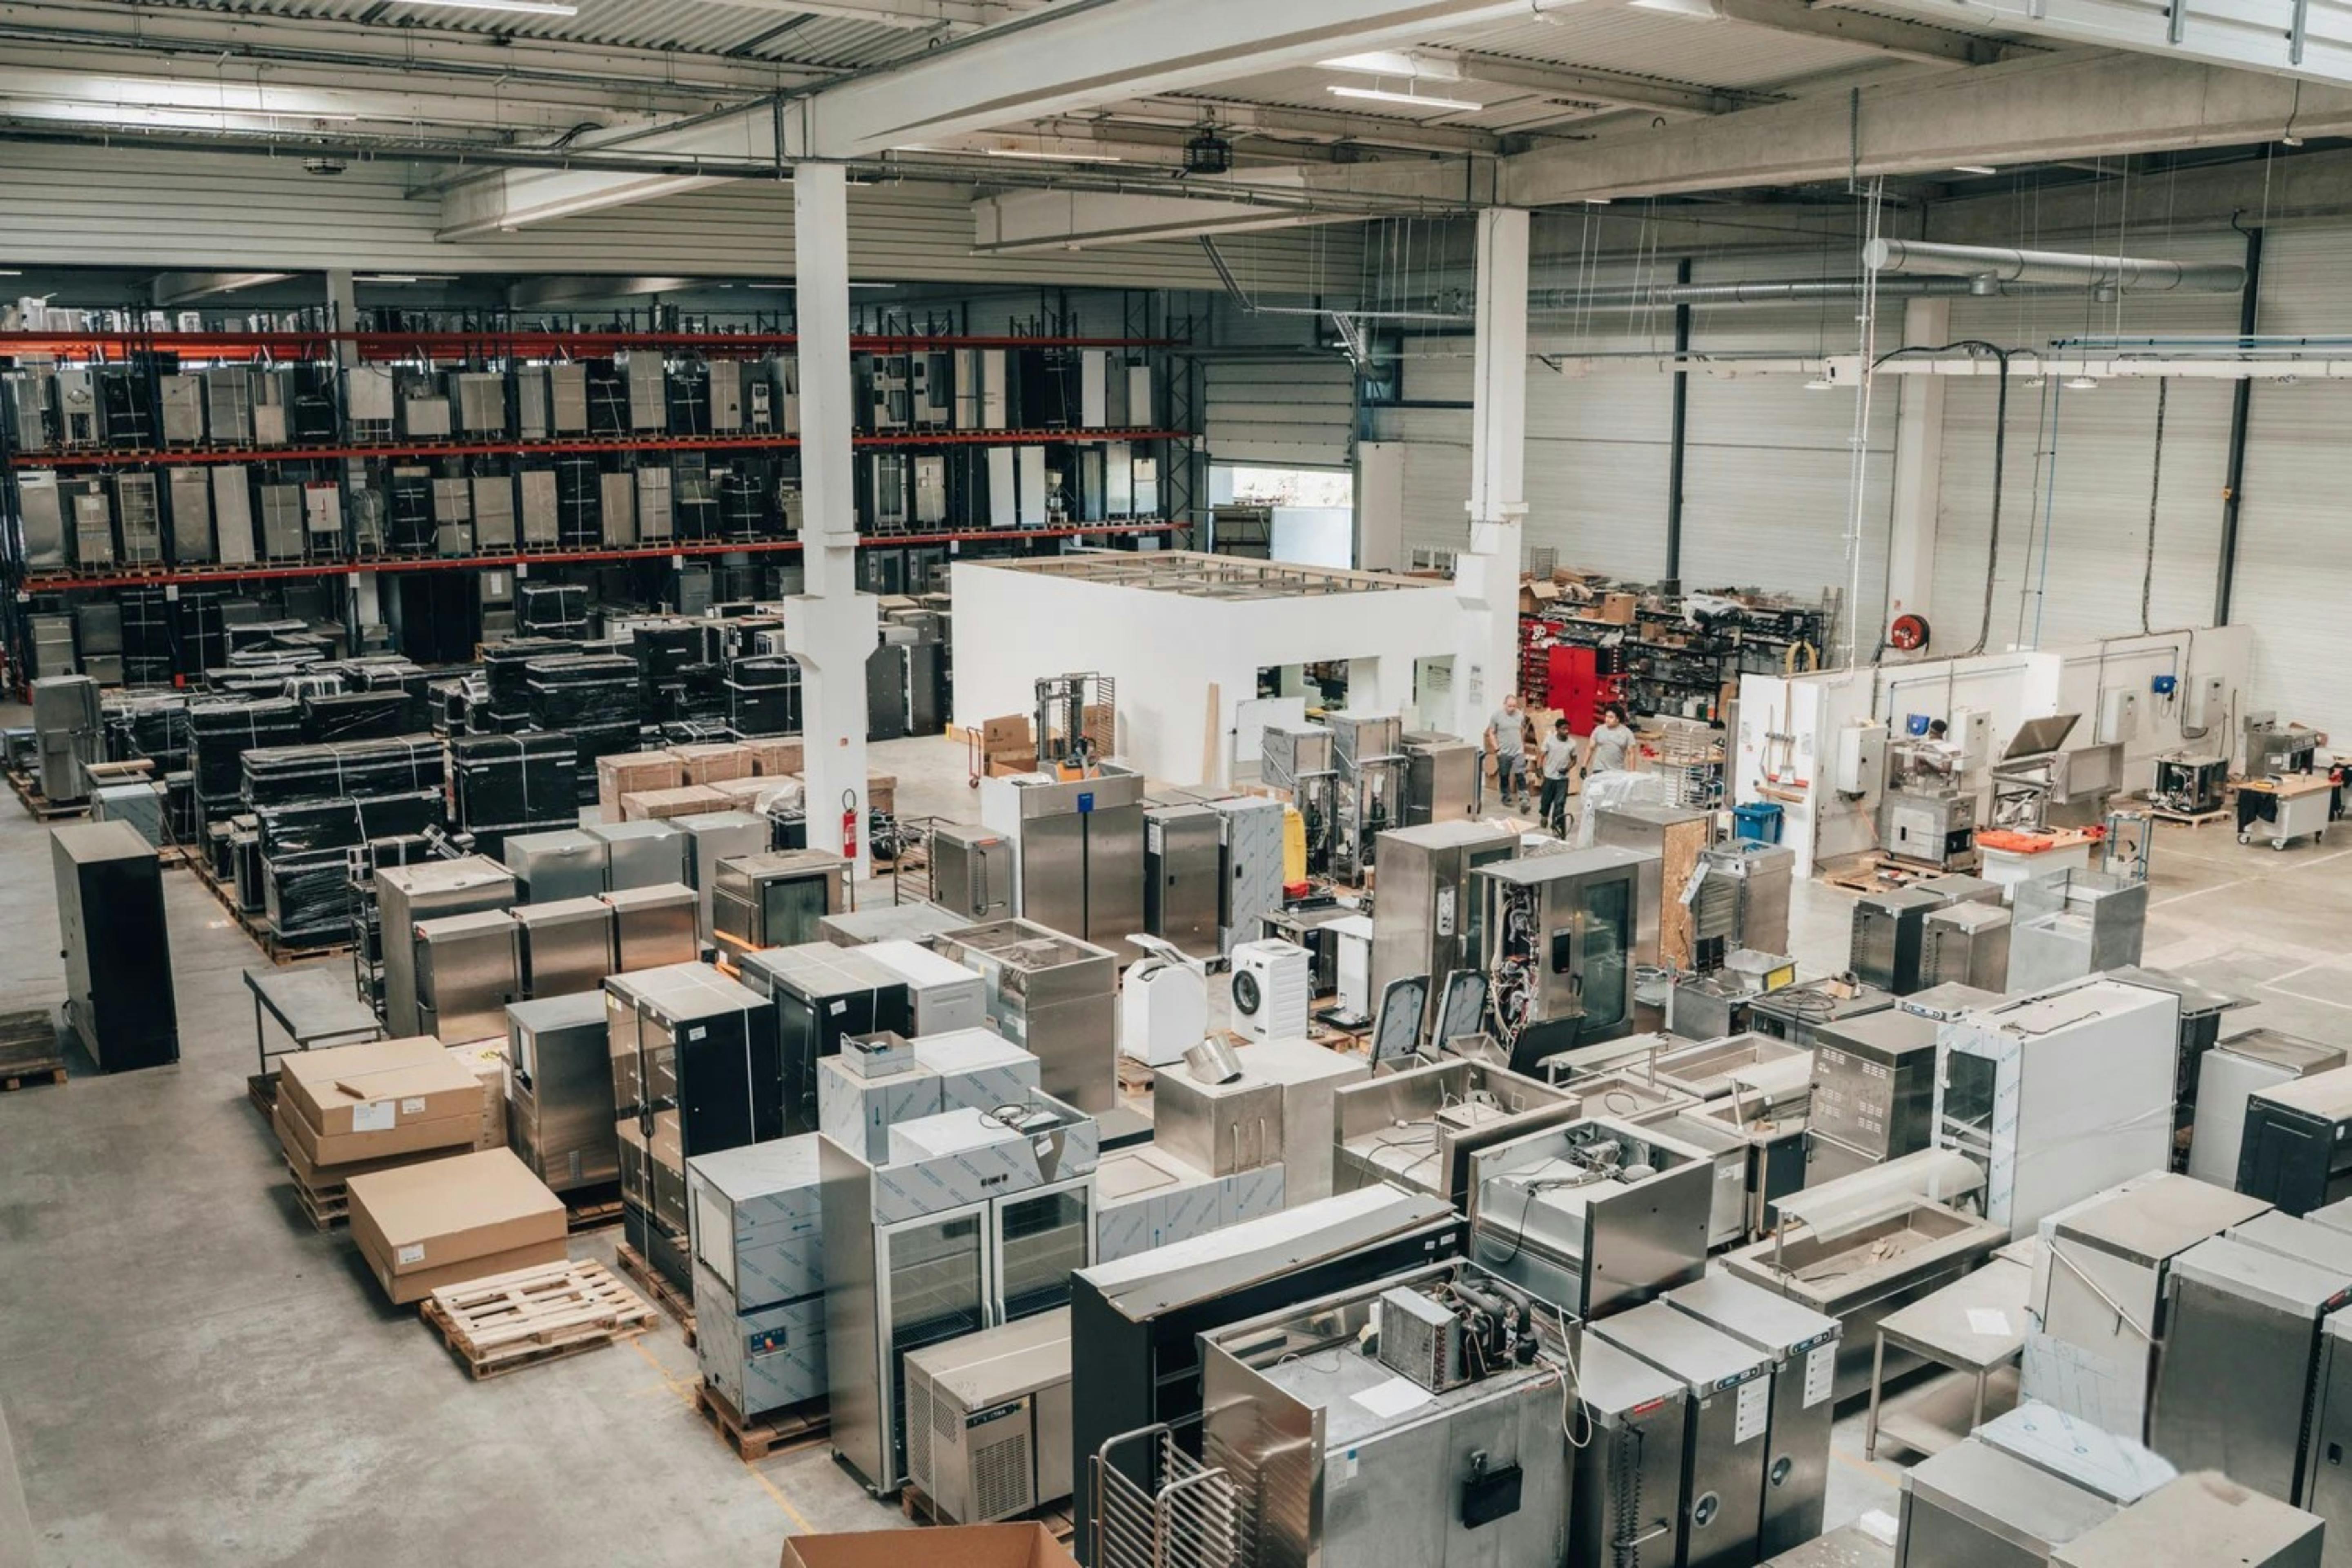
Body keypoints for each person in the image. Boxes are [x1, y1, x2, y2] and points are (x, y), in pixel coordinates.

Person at [1487, 693, 1530, 810]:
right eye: (1510, 706)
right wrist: (1497, 749)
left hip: (1518, 751)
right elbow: (1491, 733)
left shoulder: (1520, 715)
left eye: (1514, 706)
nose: (1512, 709)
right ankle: (1506, 797)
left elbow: (1522, 731)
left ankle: (1524, 800)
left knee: (1521, 775)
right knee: (1504, 775)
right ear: (1505, 704)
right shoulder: (1497, 716)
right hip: (1504, 752)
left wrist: (1522, 746)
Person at [1581, 702, 1638, 784]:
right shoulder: (1599, 730)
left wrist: (1632, 774)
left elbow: (1631, 754)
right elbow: (1590, 748)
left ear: (1618, 719)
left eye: (1611, 717)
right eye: (1606, 717)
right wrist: (1584, 766)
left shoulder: (1627, 733)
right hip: (1599, 769)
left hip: (1617, 772)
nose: (1607, 720)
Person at [1539, 717, 1578, 834]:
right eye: (1563, 729)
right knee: (1546, 801)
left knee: (1560, 804)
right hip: (1549, 777)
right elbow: (1542, 755)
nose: (1566, 731)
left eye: (1568, 729)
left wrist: (1567, 769)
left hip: (1563, 779)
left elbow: (1574, 760)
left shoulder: (1572, 744)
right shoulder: (1549, 740)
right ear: (1557, 729)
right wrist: (1539, 768)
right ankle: (1544, 816)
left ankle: (1556, 826)